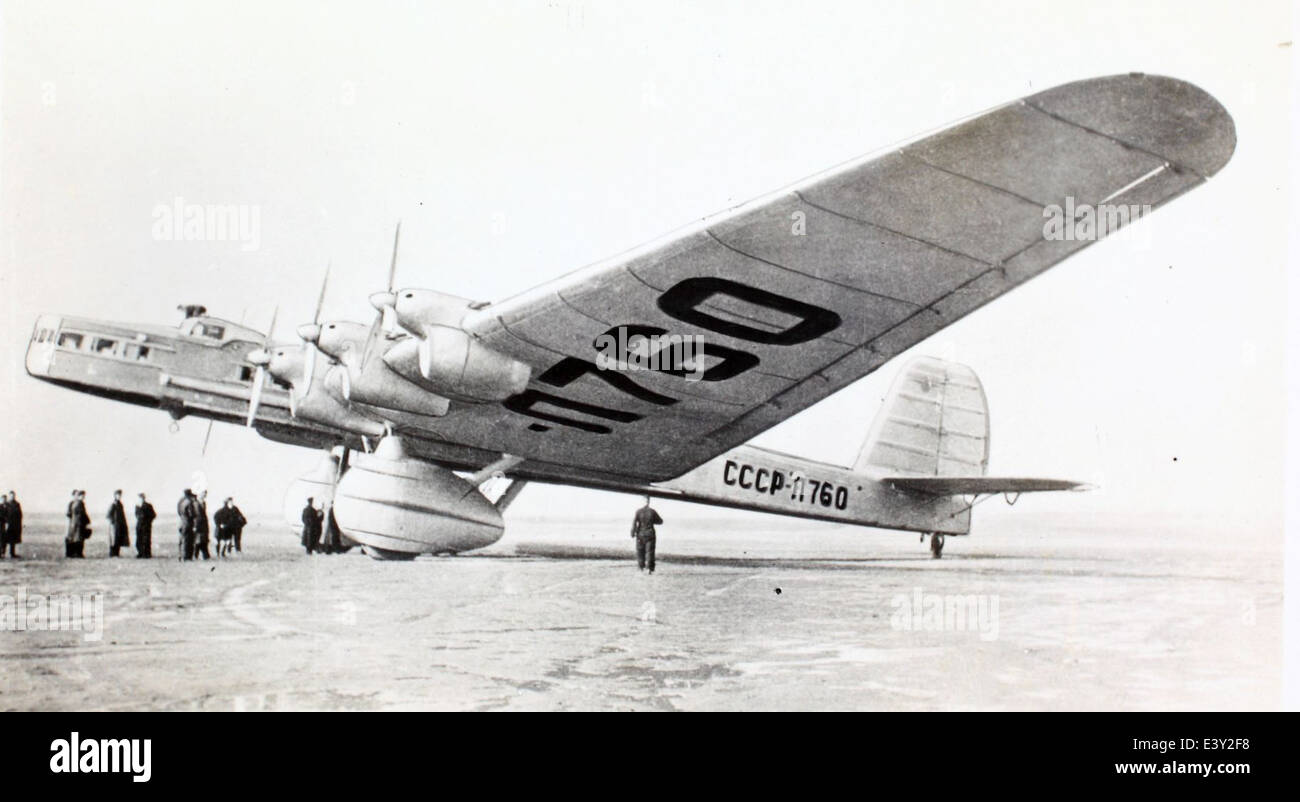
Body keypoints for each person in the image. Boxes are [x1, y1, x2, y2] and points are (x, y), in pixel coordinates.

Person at [630, 496, 663, 574]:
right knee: (650, 552)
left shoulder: (638, 511)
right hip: (650, 534)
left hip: (640, 534)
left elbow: (634, 523)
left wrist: (632, 532)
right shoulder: (652, 511)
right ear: (648, 501)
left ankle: (641, 568)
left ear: (642, 501)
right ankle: (649, 569)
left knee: (640, 551)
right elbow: (660, 521)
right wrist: (652, 521)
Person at [65, 490, 90, 558]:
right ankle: (77, 554)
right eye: (82, 496)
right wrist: (86, 521)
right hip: (77, 524)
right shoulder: (78, 504)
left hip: (75, 524)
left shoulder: (76, 503)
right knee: (77, 539)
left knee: (76, 538)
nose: (83, 497)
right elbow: (81, 514)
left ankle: (75, 554)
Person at [107, 490, 130, 557]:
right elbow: (108, 515)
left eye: (120, 495)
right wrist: (113, 522)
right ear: (115, 495)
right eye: (118, 495)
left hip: (120, 525)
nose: (119, 496)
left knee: (118, 539)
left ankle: (117, 554)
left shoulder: (120, 504)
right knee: (114, 540)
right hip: (114, 526)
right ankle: (112, 554)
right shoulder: (113, 504)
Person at [177, 488, 197, 561]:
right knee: (188, 540)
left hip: (181, 522)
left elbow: (179, 512)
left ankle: (180, 555)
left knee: (182, 539)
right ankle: (186, 556)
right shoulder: (189, 502)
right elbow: (192, 514)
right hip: (188, 523)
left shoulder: (180, 501)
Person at [134, 493, 155, 558]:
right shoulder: (137, 506)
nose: (141, 499)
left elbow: (153, 515)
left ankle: (147, 554)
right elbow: (136, 515)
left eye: (142, 498)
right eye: (139, 498)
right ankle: (140, 553)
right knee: (139, 540)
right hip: (139, 525)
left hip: (146, 526)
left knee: (146, 540)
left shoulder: (148, 505)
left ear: (144, 498)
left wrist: (148, 522)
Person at [2, 491, 21, 559]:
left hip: (14, 525)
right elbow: (4, 514)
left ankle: (12, 553)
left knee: (13, 541)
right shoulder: (6, 504)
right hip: (7, 525)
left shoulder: (17, 504)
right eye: (11, 495)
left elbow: (19, 515)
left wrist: (19, 525)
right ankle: (2, 553)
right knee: (4, 540)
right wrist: (6, 522)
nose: (12, 497)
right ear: (9, 496)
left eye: (13, 495)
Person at [194, 490, 211, 560]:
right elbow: (197, 515)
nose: (204, 496)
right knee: (199, 540)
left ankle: (204, 555)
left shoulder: (203, 503)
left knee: (203, 540)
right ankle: (197, 555)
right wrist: (195, 525)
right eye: (203, 494)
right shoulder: (196, 503)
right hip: (198, 524)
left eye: (205, 494)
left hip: (203, 524)